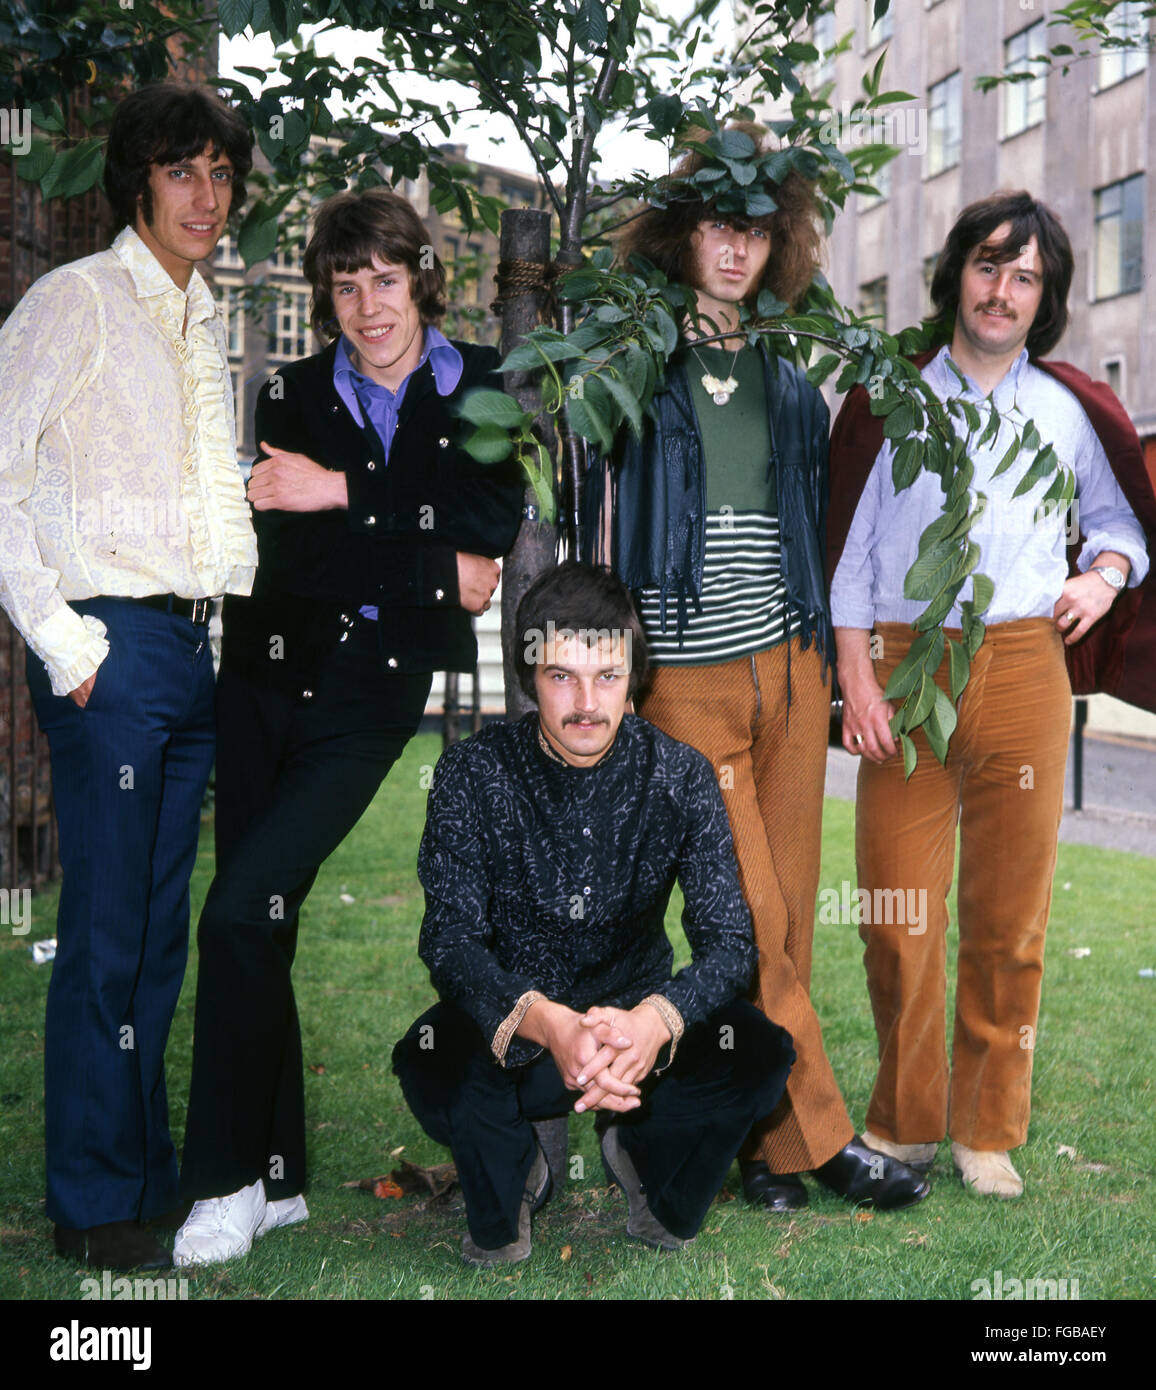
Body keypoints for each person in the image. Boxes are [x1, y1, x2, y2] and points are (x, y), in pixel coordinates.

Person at [173, 188, 523, 1265]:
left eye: (386, 278)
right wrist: (392, 526)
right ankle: (274, 1177)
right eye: (344, 284)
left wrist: (338, 489)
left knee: (230, 914)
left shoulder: (483, 392)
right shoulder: (287, 388)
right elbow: (319, 558)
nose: (369, 306)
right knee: (259, 919)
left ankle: (219, 1177)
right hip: (265, 672)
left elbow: (482, 546)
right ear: (324, 294)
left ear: (422, 275)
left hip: (370, 691)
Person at [582, 122, 928, 1213]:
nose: (735, 250)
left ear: (779, 247)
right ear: (683, 236)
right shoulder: (634, 359)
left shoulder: (787, 376)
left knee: (788, 915)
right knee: (753, 922)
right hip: (686, 675)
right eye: (717, 228)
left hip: (788, 670)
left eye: (756, 233)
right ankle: (821, 1143)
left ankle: (763, 1142)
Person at [829, 190, 1154, 1198]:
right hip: (904, 662)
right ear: (955, 275)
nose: (1002, 289)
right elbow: (844, 551)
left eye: (1024, 275)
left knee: (1009, 920)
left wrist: (1101, 573)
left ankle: (986, 1127)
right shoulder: (891, 397)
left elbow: (1123, 525)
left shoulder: (1066, 408)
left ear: (1042, 296)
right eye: (987, 265)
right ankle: (905, 1117)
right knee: (894, 909)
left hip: (1021, 667)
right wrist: (854, 678)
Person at [0, 83, 256, 1269]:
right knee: (105, 933)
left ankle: (143, 1179)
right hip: (111, 644)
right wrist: (66, 641)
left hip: (187, 650)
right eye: (180, 170)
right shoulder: (77, 300)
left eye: (219, 171)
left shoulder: (198, 318)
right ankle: (94, 1205)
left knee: (157, 936)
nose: (205, 195)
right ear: (135, 180)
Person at [392, 561, 796, 1265]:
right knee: (428, 1060)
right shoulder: (471, 774)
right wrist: (548, 1022)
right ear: (529, 678)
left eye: (607, 676)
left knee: (760, 1051)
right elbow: (449, 939)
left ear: (633, 676)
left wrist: (655, 1021)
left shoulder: (680, 774)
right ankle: (521, 1171)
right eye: (562, 677)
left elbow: (730, 942)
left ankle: (644, 1160)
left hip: (636, 1044)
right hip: (521, 1036)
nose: (587, 701)